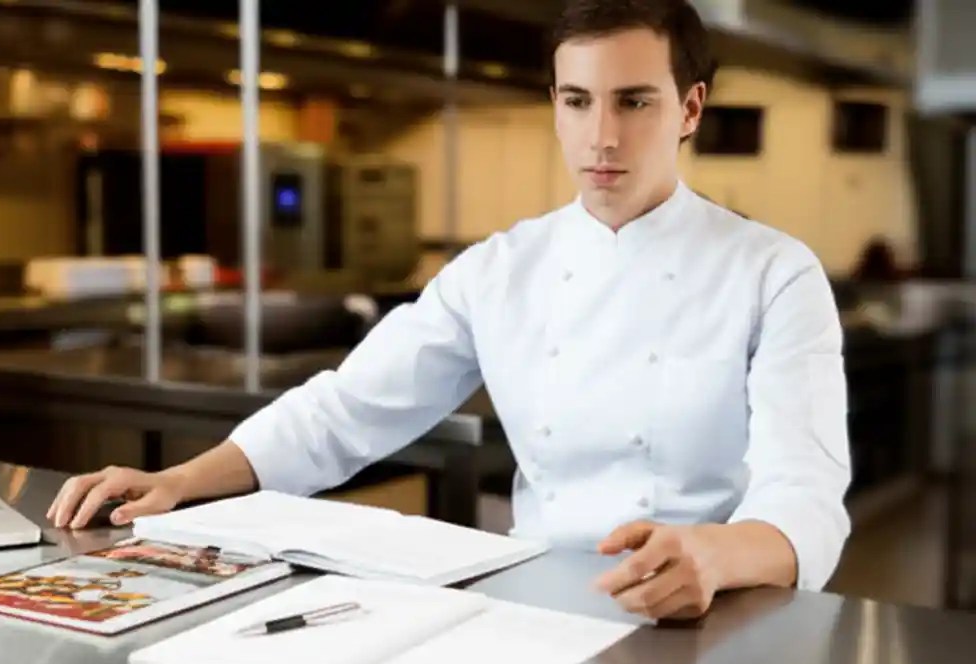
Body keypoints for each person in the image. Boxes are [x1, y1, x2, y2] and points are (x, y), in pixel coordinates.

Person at [48, 0, 851, 621]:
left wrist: (713, 557)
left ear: (690, 109)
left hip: (722, 612)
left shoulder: (773, 274)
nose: (601, 136)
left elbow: (805, 497)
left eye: (634, 102)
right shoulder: (502, 269)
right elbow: (345, 411)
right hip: (539, 612)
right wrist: (181, 480)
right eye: (577, 101)